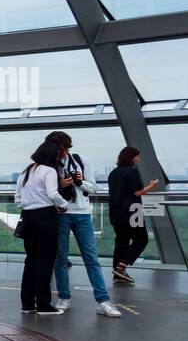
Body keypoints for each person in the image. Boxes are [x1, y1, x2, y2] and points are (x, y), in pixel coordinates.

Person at [47, 132, 121, 317]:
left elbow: (94, 187)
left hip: (82, 214)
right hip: (61, 214)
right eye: (60, 150)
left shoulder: (80, 160)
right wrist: (61, 185)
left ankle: (103, 301)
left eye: (65, 150)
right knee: (60, 259)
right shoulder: (49, 165)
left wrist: (80, 183)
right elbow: (46, 191)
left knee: (91, 258)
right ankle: (64, 297)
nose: (63, 154)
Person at [15, 139, 68, 315]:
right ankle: (44, 305)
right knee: (45, 262)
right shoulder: (49, 171)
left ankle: (27, 304)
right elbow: (53, 193)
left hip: (28, 218)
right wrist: (64, 204)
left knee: (30, 261)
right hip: (46, 217)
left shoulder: (27, 171)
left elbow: (17, 198)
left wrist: (29, 205)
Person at [108, 145, 158, 285]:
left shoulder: (113, 173)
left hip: (116, 212)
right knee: (141, 239)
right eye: (137, 156)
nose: (138, 158)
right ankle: (121, 267)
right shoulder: (132, 172)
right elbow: (137, 192)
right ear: (131, 157)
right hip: (133, 211)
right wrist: (152, 186)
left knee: (121, 242)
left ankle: (118, 274)